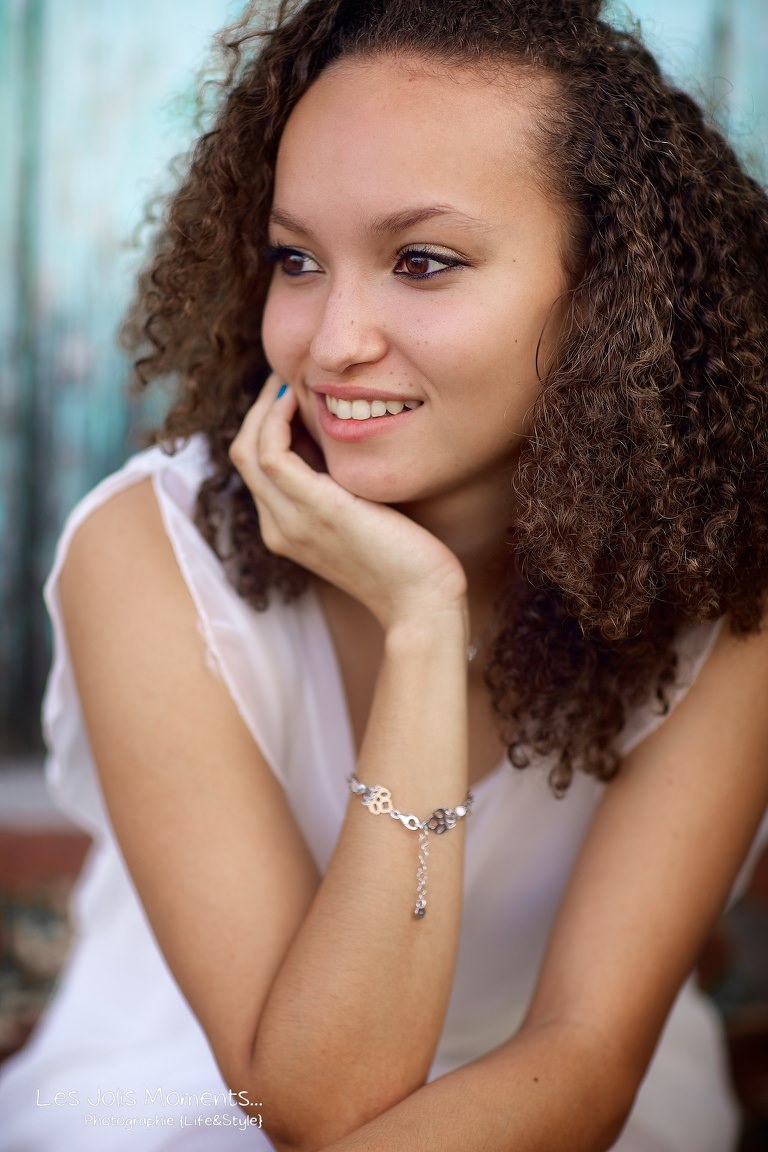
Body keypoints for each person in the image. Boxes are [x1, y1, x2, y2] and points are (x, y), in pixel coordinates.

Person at [2, 0, 768, 1148]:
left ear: (616, 293)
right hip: (188, 1083)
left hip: (546, 1096)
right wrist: (422, 626)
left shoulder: (730, 583)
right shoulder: (148, 547)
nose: (329, 338)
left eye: (422, 261)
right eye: (295, 258)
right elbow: (305, 1099)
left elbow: (587, 1057)